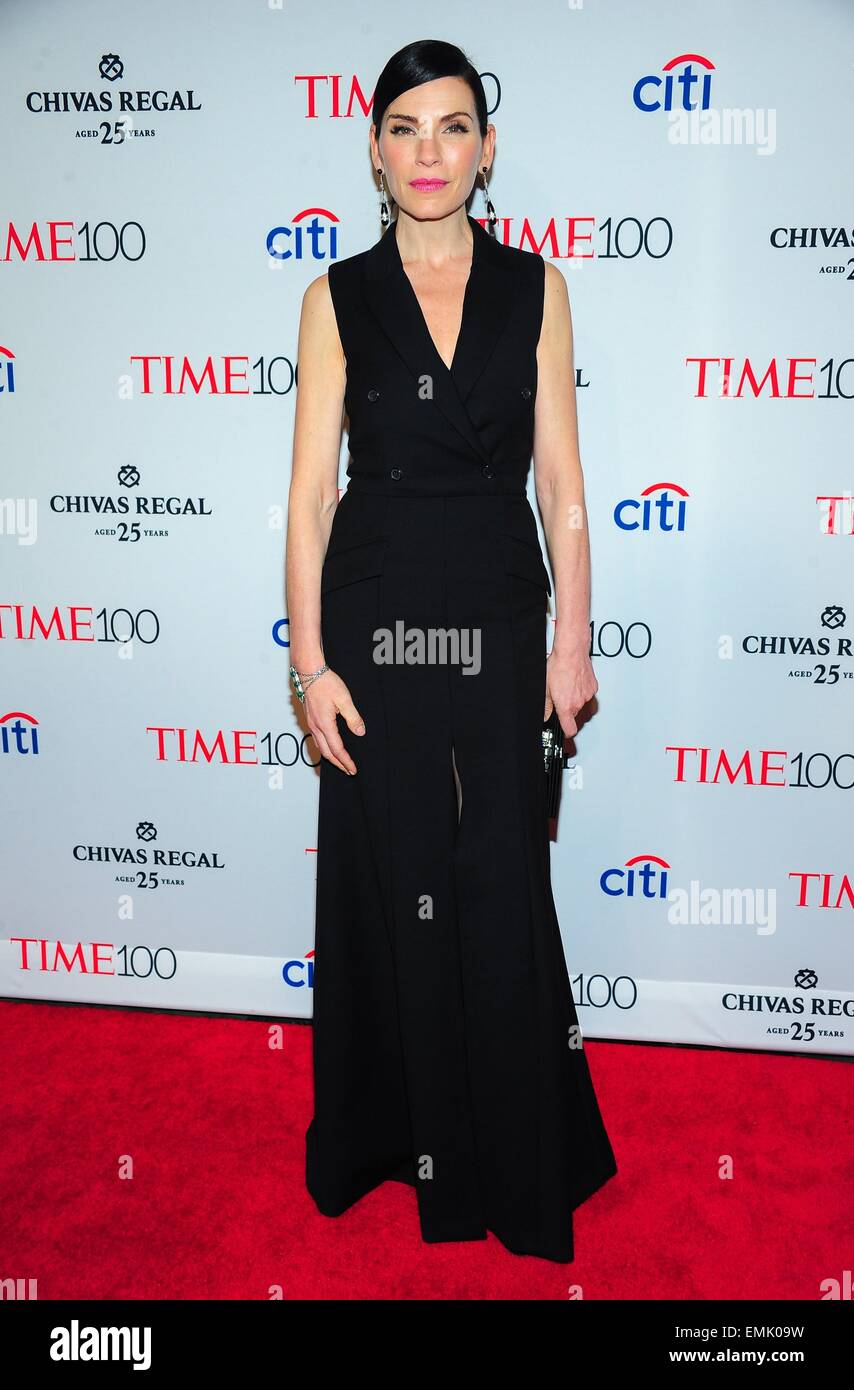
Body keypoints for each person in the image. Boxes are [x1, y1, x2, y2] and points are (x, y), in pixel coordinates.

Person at [286, 38, 617, 1263]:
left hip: (493, 604)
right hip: (373, 613)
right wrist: (309, 664)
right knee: (394, 870)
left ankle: (512, 1153)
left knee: (495, 877)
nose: (430, 153)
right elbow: (310, 495)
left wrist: (570, 642)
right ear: (372, 149)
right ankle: (398, 1136)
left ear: (487, 146)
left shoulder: (537, 286)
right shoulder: (332, 297)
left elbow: (565, 483)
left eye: (454, 127)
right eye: (406, 129)